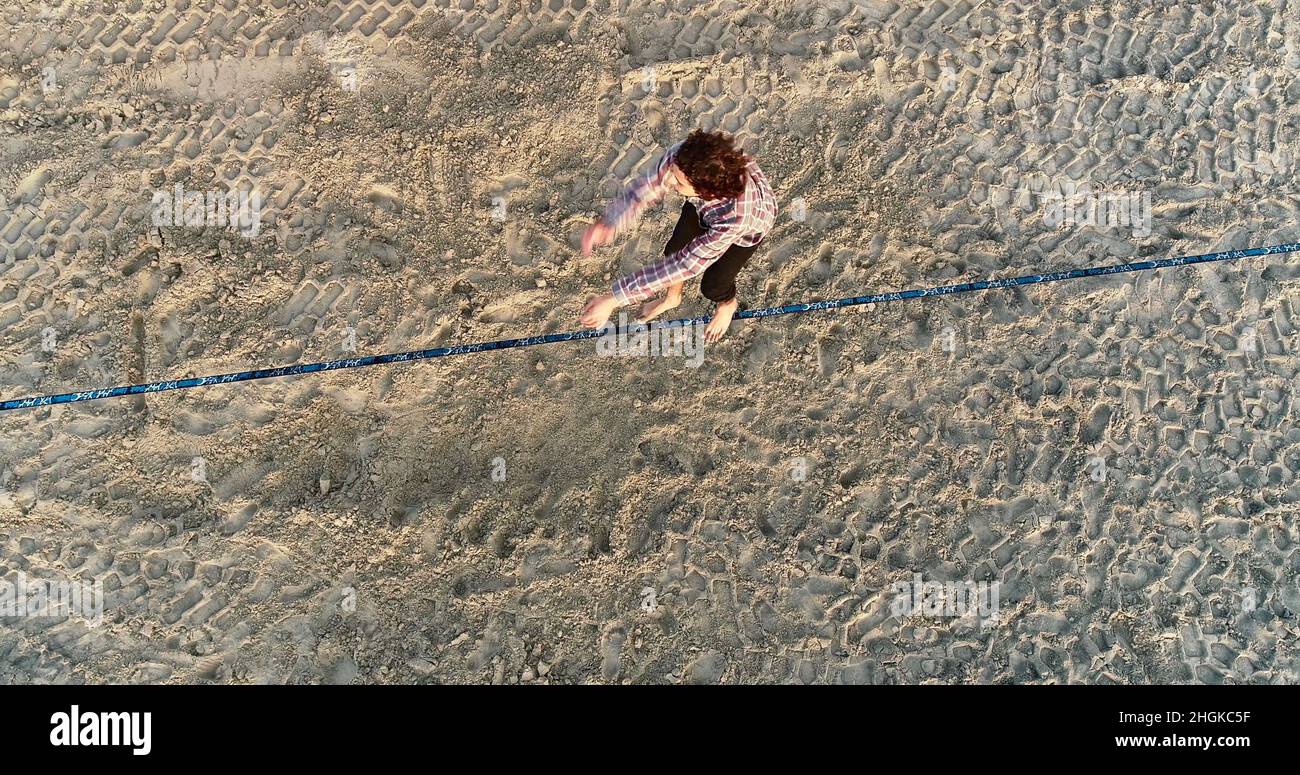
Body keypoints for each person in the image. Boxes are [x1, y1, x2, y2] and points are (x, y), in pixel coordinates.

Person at [579, 129, 777, 343]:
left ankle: (728, 306)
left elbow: (684, 265)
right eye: (674, 172)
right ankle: (672, 298)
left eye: (679, 182)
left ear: (706, 191)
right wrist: (610, 221)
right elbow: (650, 185)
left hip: (747, 231)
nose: (671, 181)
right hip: (703, 206)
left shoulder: (736, 218)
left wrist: (612, 299)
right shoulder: (686, 156)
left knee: (714, 286)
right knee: (673, 249)